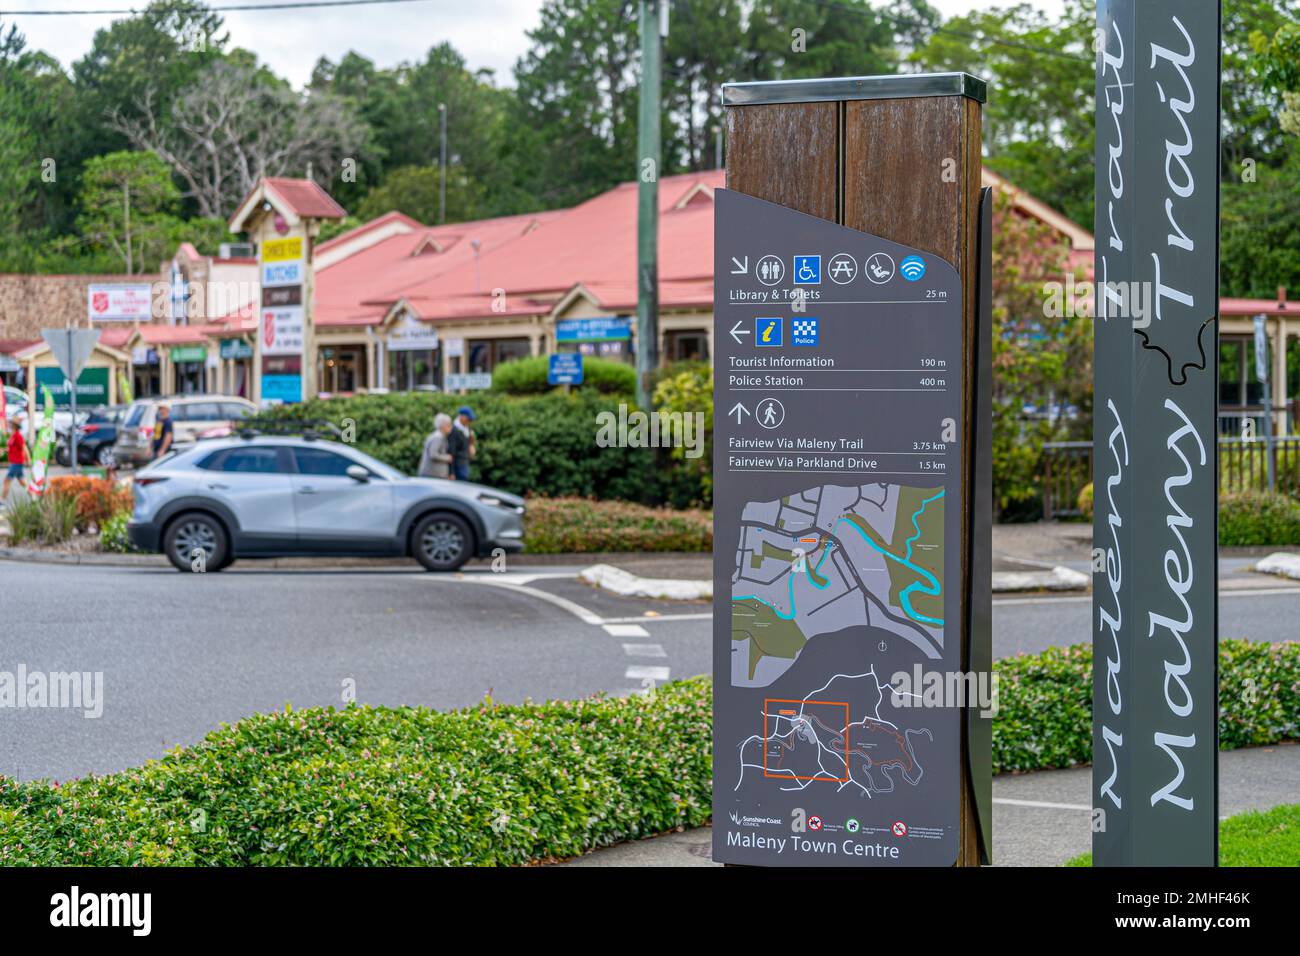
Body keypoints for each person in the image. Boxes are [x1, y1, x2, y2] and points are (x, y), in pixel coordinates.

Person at [418, 413, 454, 479]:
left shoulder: (440, 436)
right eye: (449, 425)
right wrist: (447, 458)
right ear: (442, 426)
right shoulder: (438, 437)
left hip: (434, 475)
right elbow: (433, 454)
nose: (451, 427)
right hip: (432, 475)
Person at [3, 415, 27, 502]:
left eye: (10, 423)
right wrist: (4, 450)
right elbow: (12, 448)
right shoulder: (13, 435)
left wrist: (29, 460)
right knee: (22, 482)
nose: (9, 424)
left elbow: (24, 448)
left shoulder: (18, 435)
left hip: (17, 462)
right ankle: (34, 494)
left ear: (14, 425)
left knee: (6, 480)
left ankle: (1, 502)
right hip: (15, 462)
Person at [449, 405, 476, 481]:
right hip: (458, 467)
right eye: (468, 419)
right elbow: (452, 452)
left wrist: (471, 445)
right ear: (462, 417)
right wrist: (452, 473)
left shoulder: (467, 428)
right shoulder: (454, 430)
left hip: (465, 464)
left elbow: (469, 443)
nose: (470, 421)